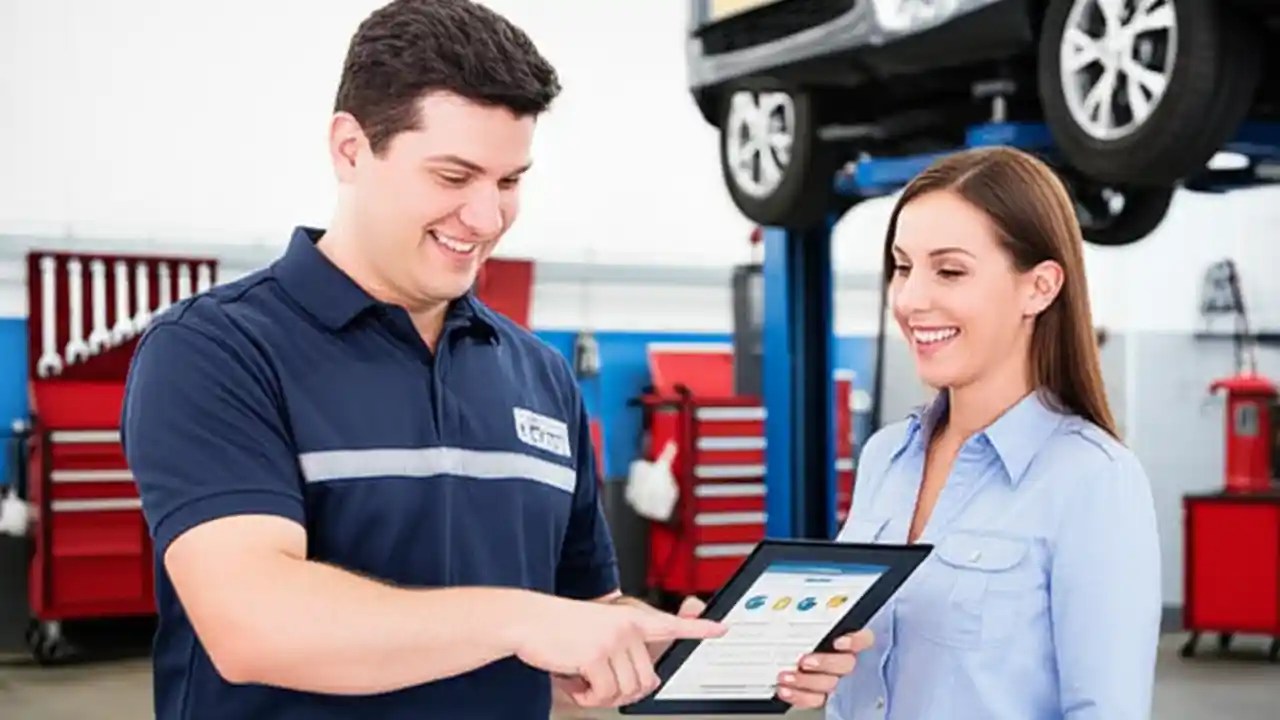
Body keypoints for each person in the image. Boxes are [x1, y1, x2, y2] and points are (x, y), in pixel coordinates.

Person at [120, 1, 869, 718]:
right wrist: (522, 620)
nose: (486, 219)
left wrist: (685, 646)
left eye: (509, 182)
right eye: (452, 178)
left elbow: (579, 615)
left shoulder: (538, 376)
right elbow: (255, 624)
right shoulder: (216, 351)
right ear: (351, 148)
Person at [827, 147, 1161, 719]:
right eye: (902, 267)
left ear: (1040, 287)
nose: (910, 300)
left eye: (950, 270)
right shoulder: (886, 457)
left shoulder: (1092, 481)